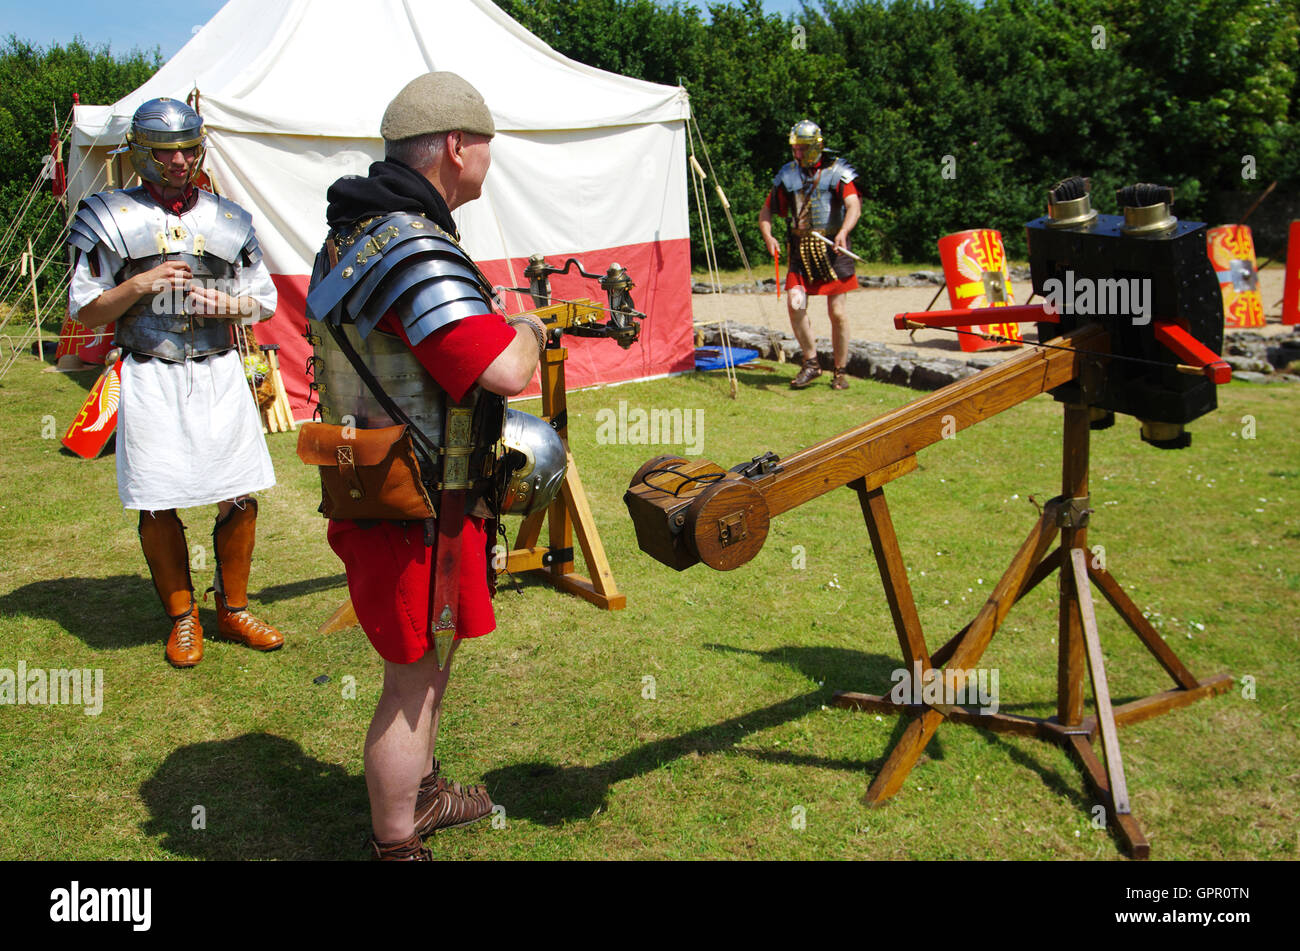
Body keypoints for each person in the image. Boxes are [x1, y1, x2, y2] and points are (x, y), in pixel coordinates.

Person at [304, 71, 555, 861]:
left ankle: (422, 795)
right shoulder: (411, 244)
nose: (488, 160)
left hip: (396, 487)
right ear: (455, 146)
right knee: (410, 684)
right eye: (485, 146)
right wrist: (529, 328)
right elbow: (507, 373)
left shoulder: (357, 234)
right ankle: (397, 843)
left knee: (428, 663)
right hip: (409, 501)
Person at [67, 97, 284, 668]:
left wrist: (229, 304)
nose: (180, 161)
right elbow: (86, 313)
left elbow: (264, 303)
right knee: (159, 499)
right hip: (149, 373)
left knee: (238, 493)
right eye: (166, 152)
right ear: (141, 153)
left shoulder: (229, 218)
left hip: (218, 371)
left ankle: (233, 609)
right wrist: (139, 287)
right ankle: (183, 619)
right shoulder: (107, 214)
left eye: (188, 149)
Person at [758, 119, 862, 390]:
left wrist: (844, 232)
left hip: (832, 250)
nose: (798, 154)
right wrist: (769, 236)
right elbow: (766, 211)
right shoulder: (787, 174)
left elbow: (853, 206)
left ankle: (840, 370)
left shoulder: (838, 171)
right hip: (800, 251)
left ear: (815, 146)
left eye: (802, 149)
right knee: (796, 304)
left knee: (837, 312)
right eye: (795, 149)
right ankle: (812, 363)